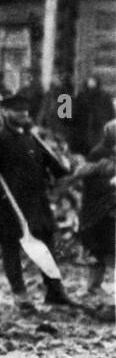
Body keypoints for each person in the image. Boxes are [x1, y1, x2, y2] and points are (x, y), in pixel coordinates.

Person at [0, 94, 78, 309]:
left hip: (37, 204)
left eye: (25, 111)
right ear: (5, 113)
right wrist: (3, 196)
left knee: (48, 247)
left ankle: (54, 291)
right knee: (11, 251)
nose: (23, 115)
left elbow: (52, 165)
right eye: (17, 111)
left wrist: (62, 168)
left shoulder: (32, 137)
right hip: (10, 207)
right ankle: (20, 294)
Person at [75, 119, 116, 302]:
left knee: (106, 246)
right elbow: (92, 183)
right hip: (97, 210)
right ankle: (93, 286)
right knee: (97, 248)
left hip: (109, 207)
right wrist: (111, 184)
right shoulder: (98, 154)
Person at [71, 76, 115, 156]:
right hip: (84, 129)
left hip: (98, 129)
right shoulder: (82, 95)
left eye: (93, 82)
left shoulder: (105, 96)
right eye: (90, 83)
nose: (91, 85)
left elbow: (110, 113)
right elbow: (76, 112)